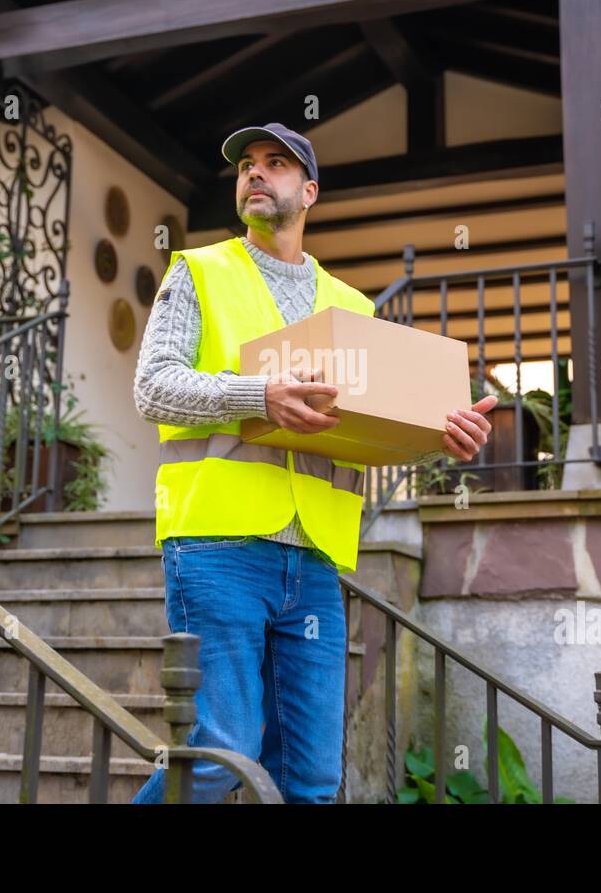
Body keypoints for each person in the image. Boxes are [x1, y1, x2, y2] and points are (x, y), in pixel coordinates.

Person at [130, 122, 498, 803]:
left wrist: (437, 433)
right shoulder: (199, 273)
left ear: (311, 191)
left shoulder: (354, 309)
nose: (256, 173)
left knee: (314, 781)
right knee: (218, 757)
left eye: (275, 163)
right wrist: (258, 394)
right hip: (218, 546)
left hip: (317, 561)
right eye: (246, 165)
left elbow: (371, 429)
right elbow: (152, 387)